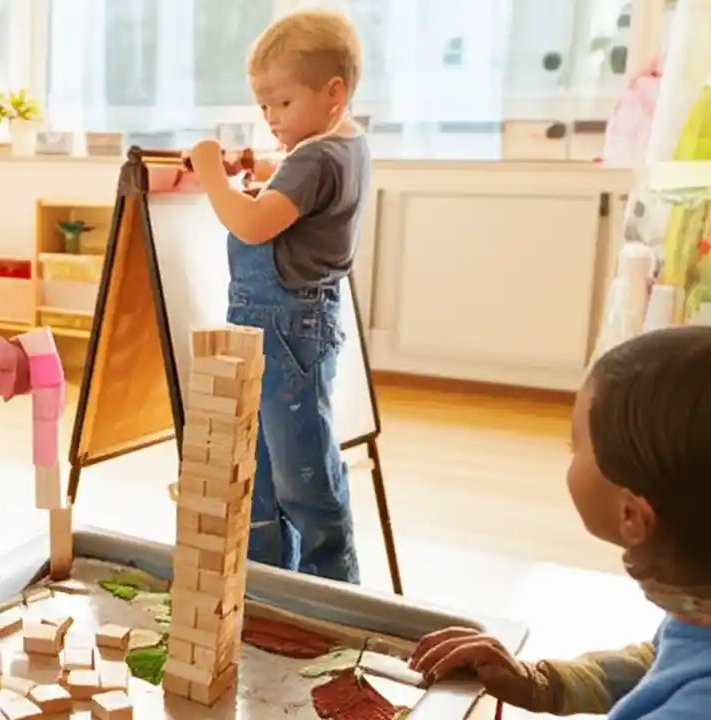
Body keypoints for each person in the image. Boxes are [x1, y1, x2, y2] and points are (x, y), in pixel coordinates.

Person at [410, 326, 711, 717]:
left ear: (631, 515)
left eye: (575, 445)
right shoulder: (697, 612)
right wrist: (541, 683)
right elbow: (658, 663)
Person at [186, 9, 369, 583]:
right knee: (261, 470)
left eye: (282, 105)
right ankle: (272, 585)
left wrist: (212, 174)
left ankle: (332, 594)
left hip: (289, 328)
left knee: (303, 478)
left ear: (333, 94)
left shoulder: (317, 157)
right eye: (263, 106)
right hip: (283, 327)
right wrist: (263, 167)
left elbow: (254, 226)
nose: (269, 118)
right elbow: (292, 180)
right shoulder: (339, 145)